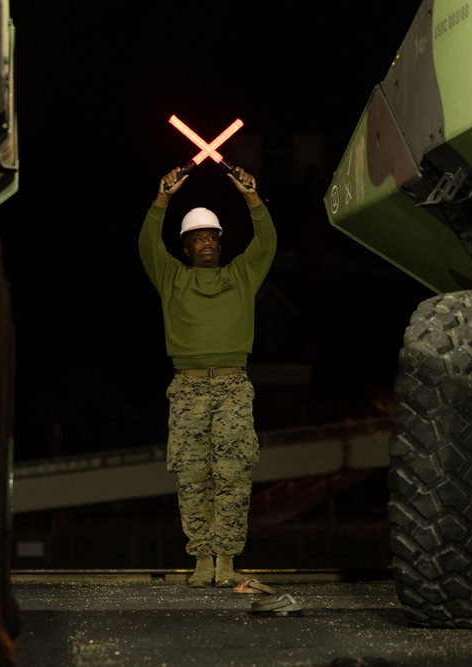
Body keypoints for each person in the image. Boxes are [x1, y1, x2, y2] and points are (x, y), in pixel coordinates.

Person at [138, 164, 277, 588]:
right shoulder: (173, 279)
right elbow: (147, 244)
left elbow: (267, 242)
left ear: (221, 243)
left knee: (233, 473)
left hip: (234, 385)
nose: (206, 244)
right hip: (189, 386)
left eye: (212, 238)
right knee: (193, 473)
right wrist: (162, 198)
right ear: (185, 248)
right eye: (198, 239)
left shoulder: (240, 276)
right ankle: (201, 559)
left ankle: (227, 559)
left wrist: (252, 196)